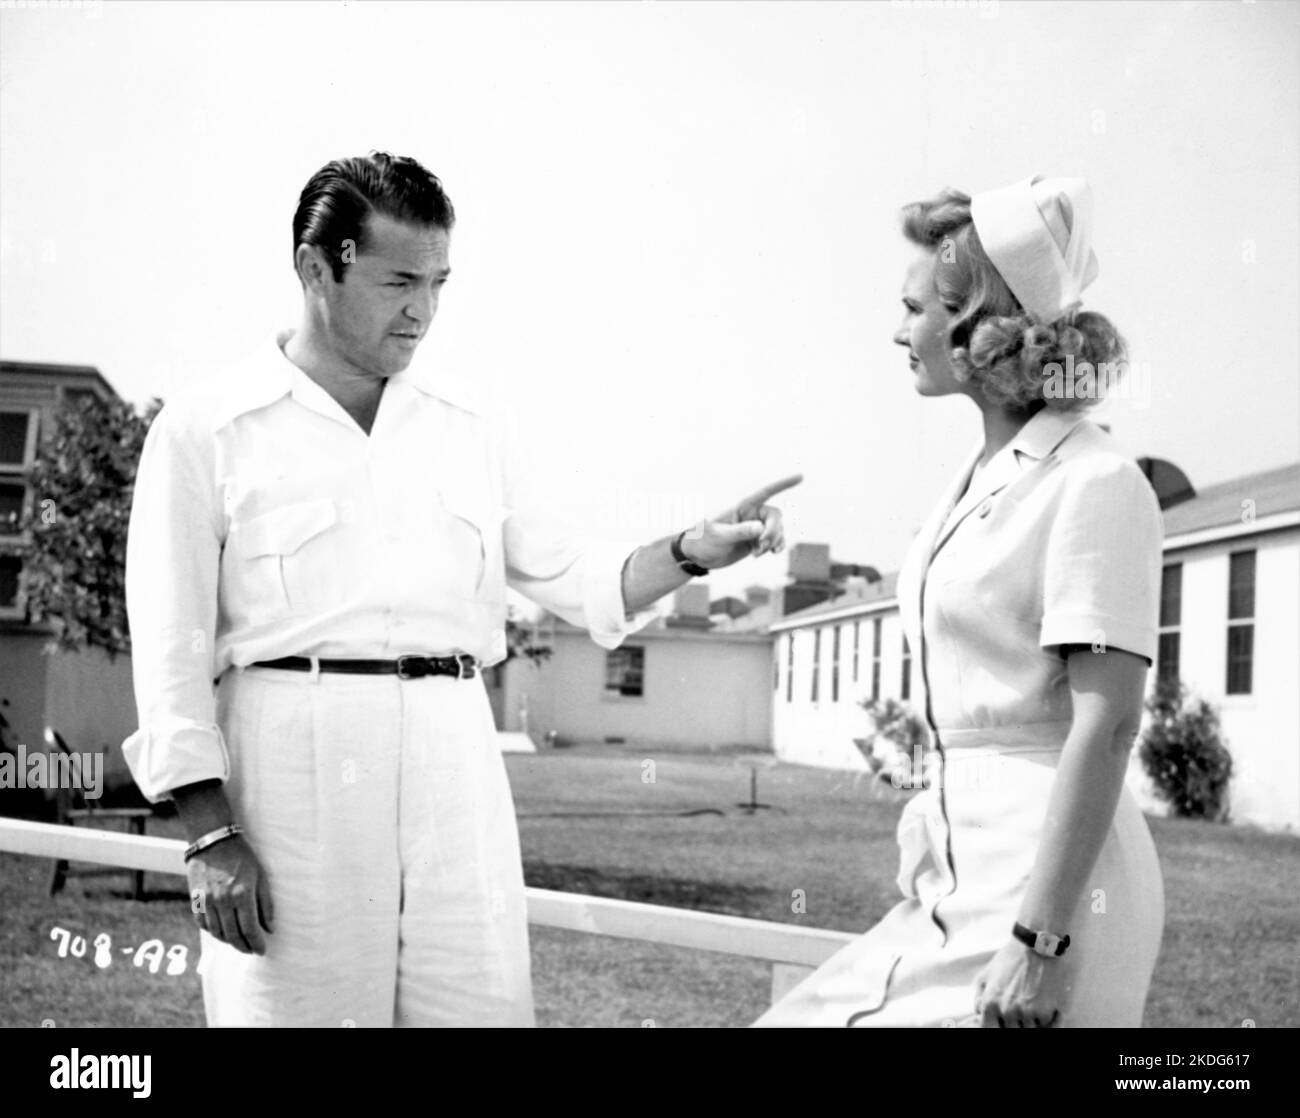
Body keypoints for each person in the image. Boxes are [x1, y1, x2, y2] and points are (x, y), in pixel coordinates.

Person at [123, 151, 800, 1027]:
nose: (424, 311)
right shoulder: (206, 429)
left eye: (439, 283)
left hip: (456, 761)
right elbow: (169, 650)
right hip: (291, 771)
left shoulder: (468, 425)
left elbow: (574, 575)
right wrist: (210, 832)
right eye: (400, 282)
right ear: (315, 268)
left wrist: (693, 550)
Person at [755, 175, 1164, 1028]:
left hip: (1049, 897)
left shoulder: (1096, 480)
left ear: (978, 325)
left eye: (914, 308)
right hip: (961, 876)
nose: (896, 330)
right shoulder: (977, 478)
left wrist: (1038, 939)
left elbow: (1109, 726)